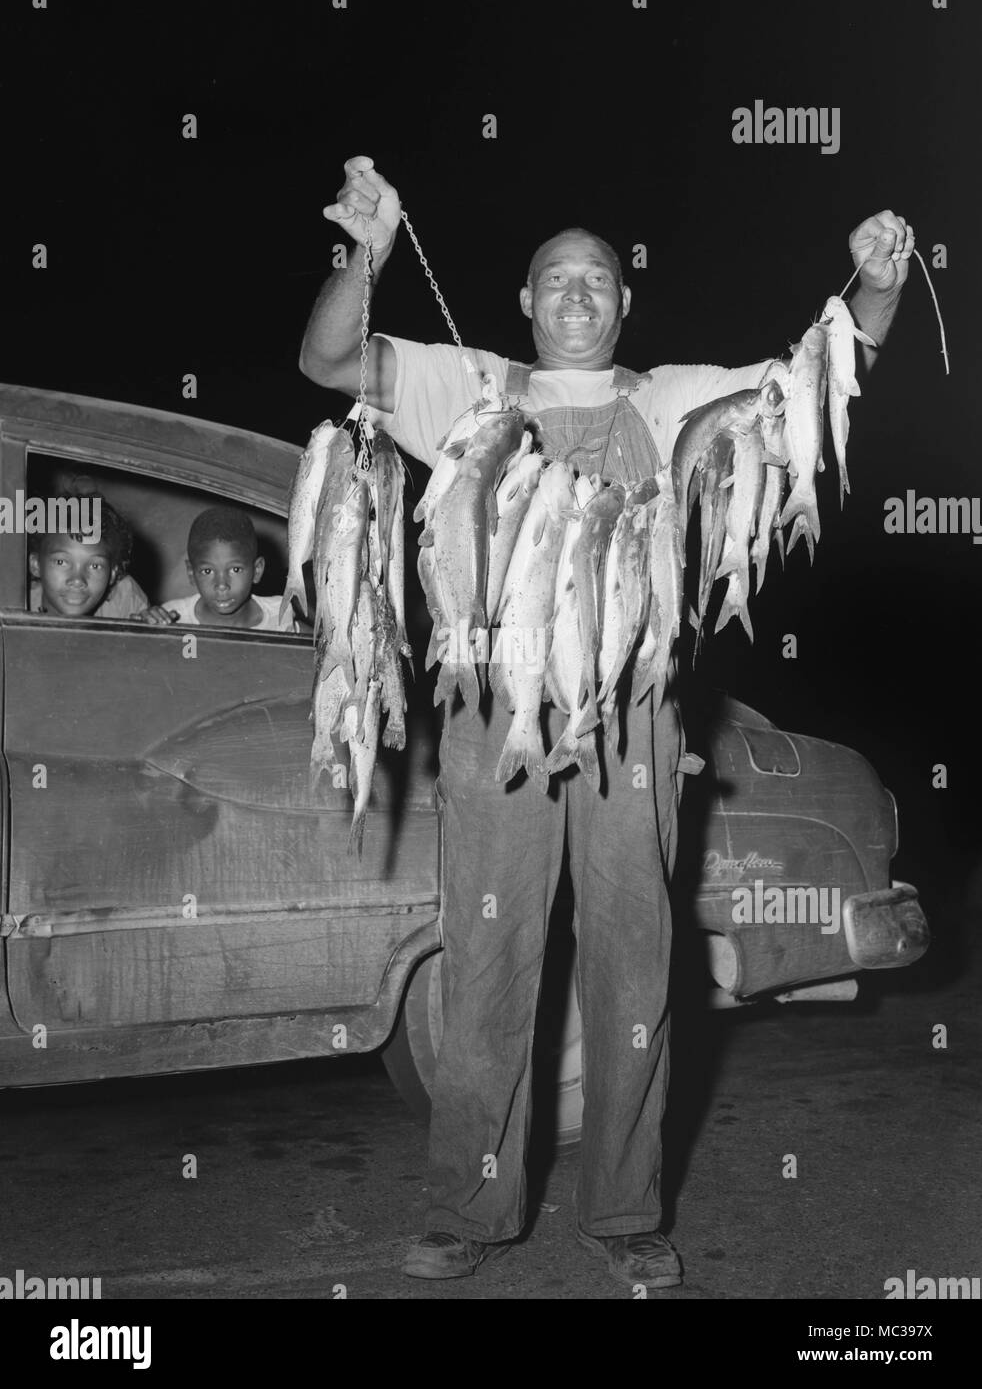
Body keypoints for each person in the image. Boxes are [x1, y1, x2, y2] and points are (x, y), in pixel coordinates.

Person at [298, 155, 915, 1290]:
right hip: (497, 708)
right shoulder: (471, 387)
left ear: (624, 301)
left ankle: (625, 1209)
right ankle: (468, 1210)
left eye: (596, 279)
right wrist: (367, 257)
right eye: (554, 280)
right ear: (525, 304)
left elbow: (812, 382)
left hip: (632, 713)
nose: (576, 294)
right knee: (486, 959)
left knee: (635, 958)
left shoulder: (674, 396)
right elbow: (330, 358)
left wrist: (871, 288)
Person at [139, 507, 299, 631]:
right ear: (191, 573)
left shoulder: (279, 614)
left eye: (235, 570)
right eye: (207, 571)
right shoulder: (174, 618)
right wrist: (141, 627)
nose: (221, 585)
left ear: (257, 570)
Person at [28, 497, 144, 618]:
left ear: (112, 574)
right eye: (61, 562)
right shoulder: (14, 601)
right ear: (36, 564)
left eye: (95, 566)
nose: (78, 580)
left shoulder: (126, 601)